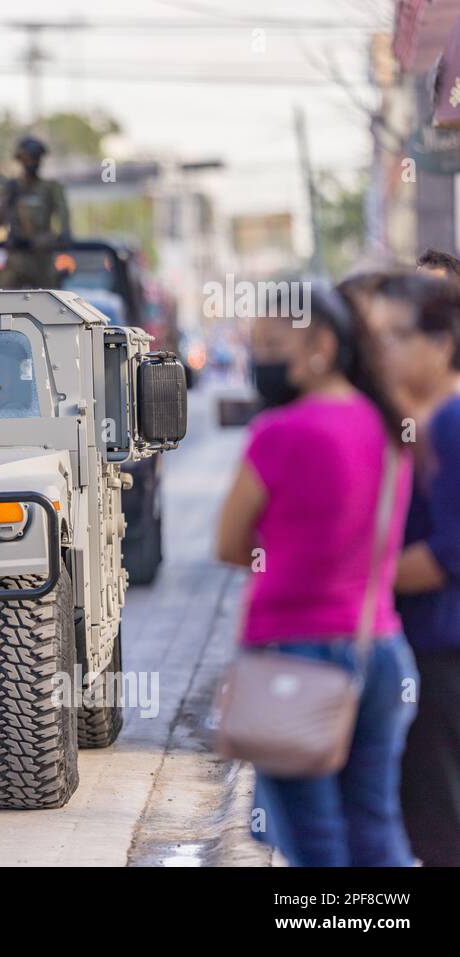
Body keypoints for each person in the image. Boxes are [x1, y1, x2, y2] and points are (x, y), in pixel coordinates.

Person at [215, 284, 417, 867]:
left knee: (315, 847)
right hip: (378, 646)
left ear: (322, 344)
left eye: (274, 344)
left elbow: (229, 543)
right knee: (375, 832)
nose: (262, 360)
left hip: (292, 660)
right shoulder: (388, 426)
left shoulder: (279, 432)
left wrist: (284, 546)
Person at [363, 274, 460, 867]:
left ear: (442, 340)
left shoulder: (449, 422)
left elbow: (452, 551)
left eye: (398, 336)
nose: (384, 352)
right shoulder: (419, 421)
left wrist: (359, 584)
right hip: (422, 650)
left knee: (437, 828)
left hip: (439, 653)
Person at [0, 137, 71, 290]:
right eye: (27, 159)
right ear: (20, 161)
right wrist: (8, 199)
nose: (31, 163)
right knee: (1, 297)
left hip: (42, 260)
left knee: (50, 300)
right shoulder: (11, 188)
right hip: (16, 259)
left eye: (35, 158)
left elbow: (65, 226)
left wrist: (52, 238)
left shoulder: (51, 188)